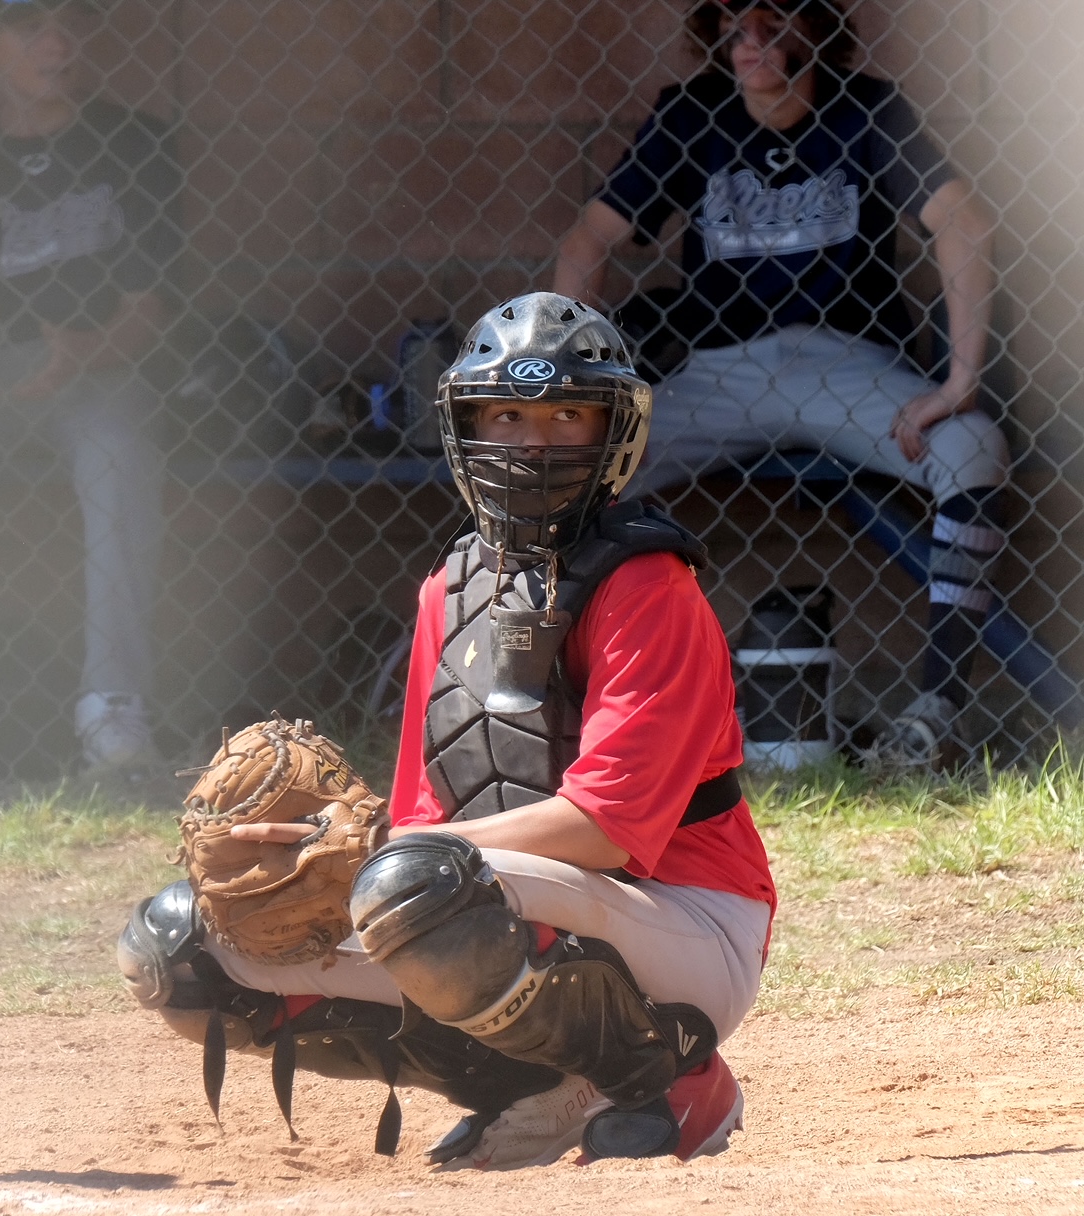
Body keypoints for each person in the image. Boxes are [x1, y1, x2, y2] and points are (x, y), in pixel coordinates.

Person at [119, 292, 776, 1171]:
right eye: (506, 415)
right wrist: (321, 856)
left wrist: (379, 853)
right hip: (509, 896)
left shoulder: (650, 588)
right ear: (465, 427)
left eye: (566, 416)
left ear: (612, 432)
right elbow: (425, 817)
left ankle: (661, 1079)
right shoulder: (451, 591)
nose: (534, 444)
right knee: (185, 952)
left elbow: (605, 831)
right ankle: (525, 1090)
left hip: (688, 923)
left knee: (413, 879)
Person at [553, 0, 1010, 769]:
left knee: (971, 447)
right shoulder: (693, 110)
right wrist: (583, 372)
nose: (750, 40)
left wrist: (960, 380)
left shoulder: (866, 106)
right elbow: (589, 237)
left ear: (818, 29)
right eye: (733, 20)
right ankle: (558, 710)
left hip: (846, 361)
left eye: (773, 20)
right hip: (717, 367)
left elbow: (964, 220)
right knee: (567, 468)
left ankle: (936, 716)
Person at [0, 0, 182, 772]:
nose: (57, 43)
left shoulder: (134, 140)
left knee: (117, 451)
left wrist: (85, 349)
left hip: (95, 376)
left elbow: (149, 309)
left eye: (67, 24)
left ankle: (112, 707)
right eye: (28, 28)